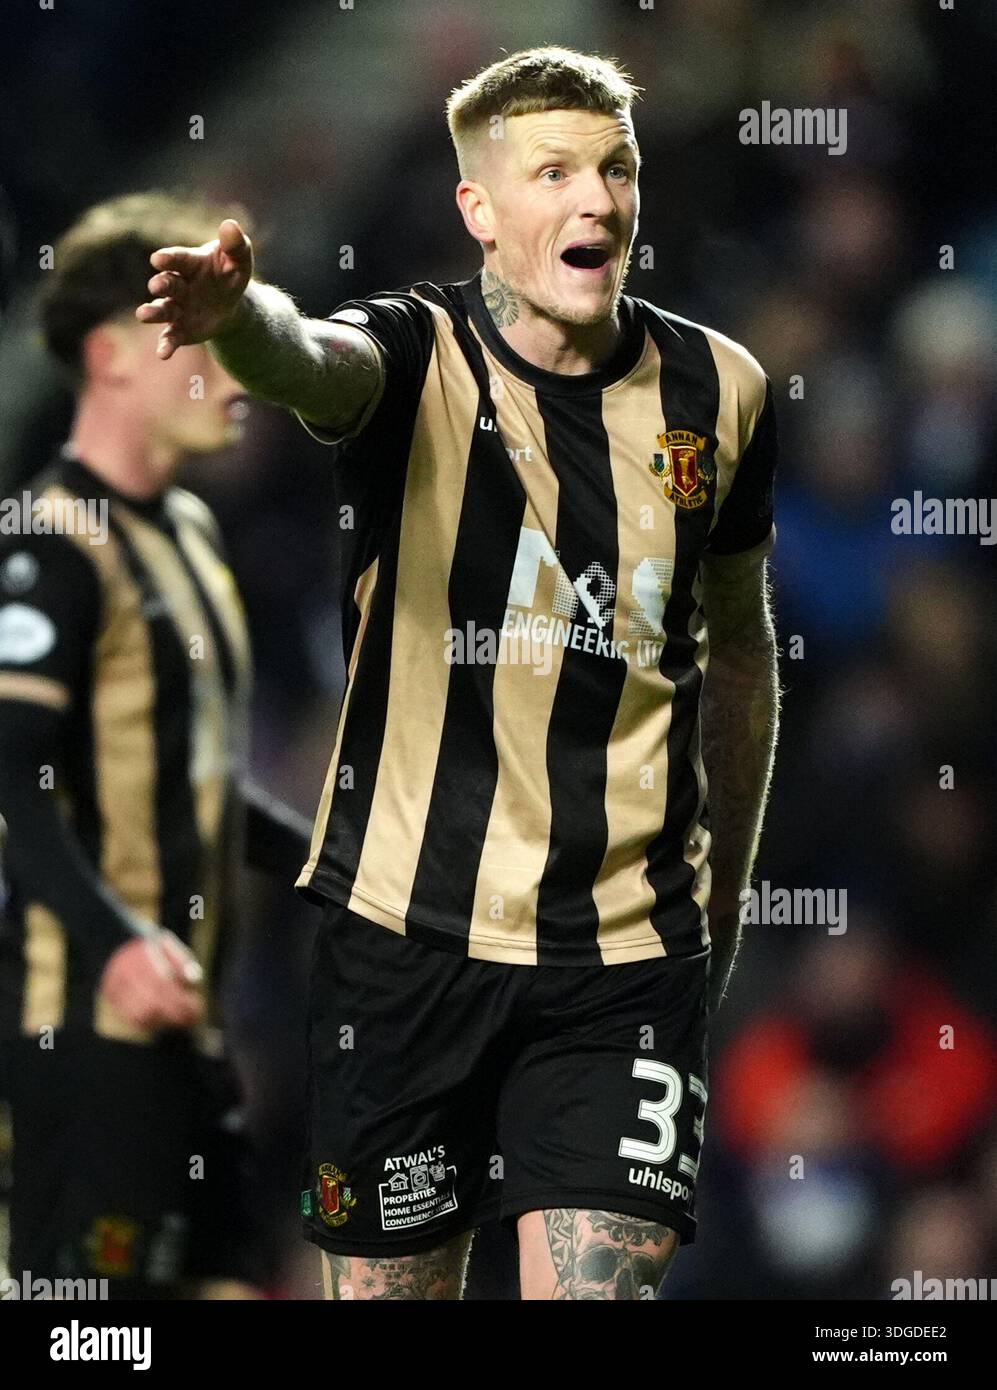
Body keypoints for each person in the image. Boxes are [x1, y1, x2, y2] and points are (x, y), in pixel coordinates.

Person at [137, 47, 780, 1300]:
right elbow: (309, 357)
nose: (595, 200)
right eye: (553, 173)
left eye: (615, 169)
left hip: (623, 960)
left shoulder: (724, 391)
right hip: (404, 944)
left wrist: (727, 902)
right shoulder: (416, 353)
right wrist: (238, 319)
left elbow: (740, 644)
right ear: (480, 213)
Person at [0, 193, 312, 1299]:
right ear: (109, 356)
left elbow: (204, 782)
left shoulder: (189, 536)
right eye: (199, 344)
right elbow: (14, 782)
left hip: (192, 1035)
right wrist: (120, 940)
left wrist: (342, 873)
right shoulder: (48, 546)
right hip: (86, 1039)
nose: (233, 377)